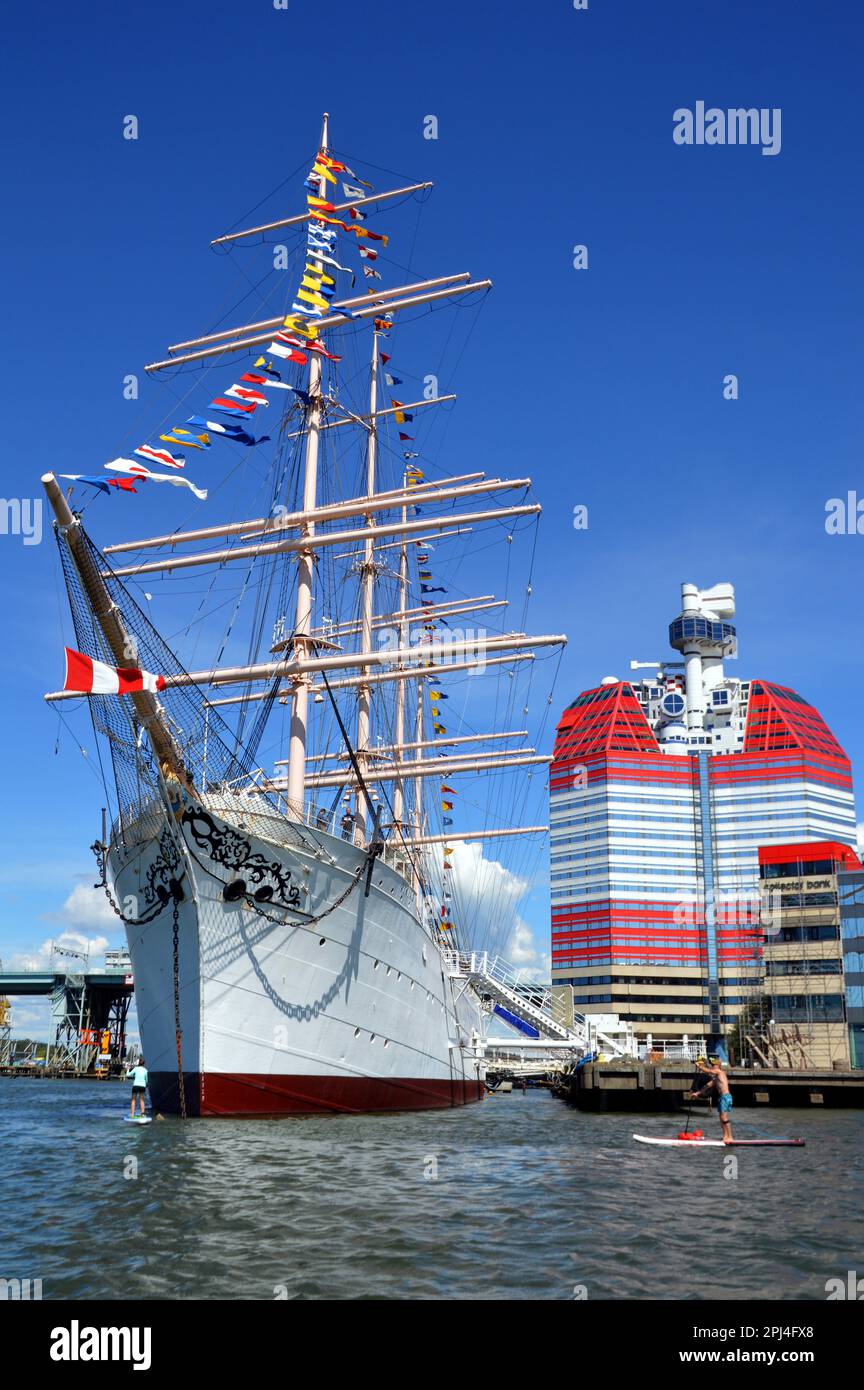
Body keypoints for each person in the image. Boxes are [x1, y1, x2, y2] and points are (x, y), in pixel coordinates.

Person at [690, 1057, 733, 1143]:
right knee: (721, 1118)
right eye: (712, 1065)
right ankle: (725, 1136)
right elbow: (706, 1086)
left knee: (724, 1117)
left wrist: (699, 1066)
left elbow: (709, 1071)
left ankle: (730, 1137)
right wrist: (697, 1093)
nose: (712, 1066)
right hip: (722, 1098)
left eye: (713, 1065)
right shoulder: (716, 1079)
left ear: (717, 1065)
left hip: (726, 1097)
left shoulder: (720, 1072)